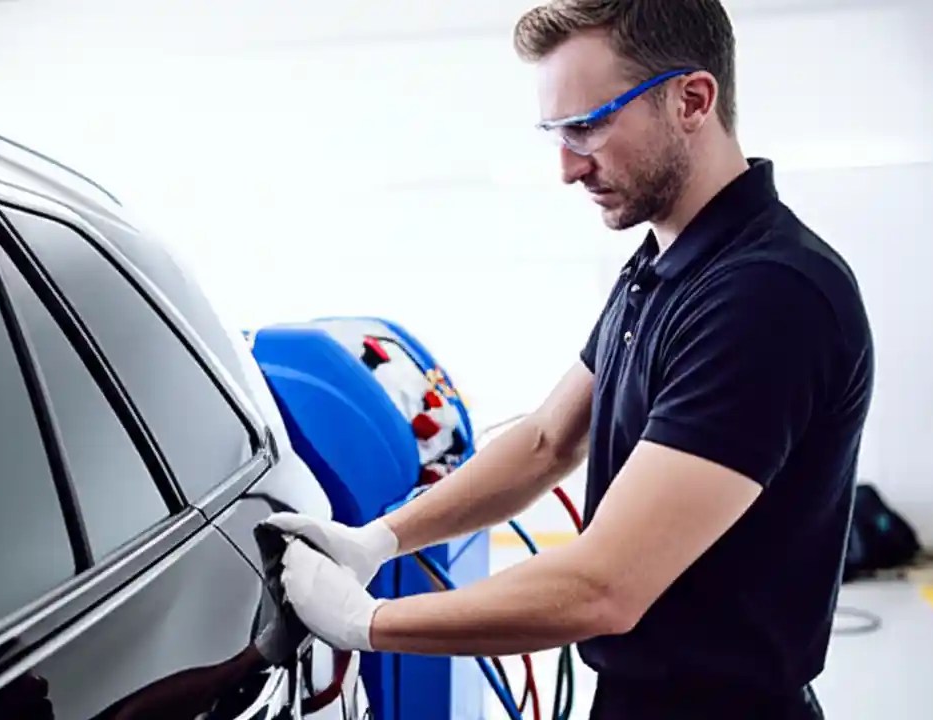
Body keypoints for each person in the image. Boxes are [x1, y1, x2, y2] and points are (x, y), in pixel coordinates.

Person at [264, 1, 874, 718]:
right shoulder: (663, 264)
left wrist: (366, 624)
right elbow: (547, 439)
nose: (566, 166)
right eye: (556, 131)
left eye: (588, 126)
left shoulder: (768, 295)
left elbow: (603, 586)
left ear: (693, 100)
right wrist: (380, 538)